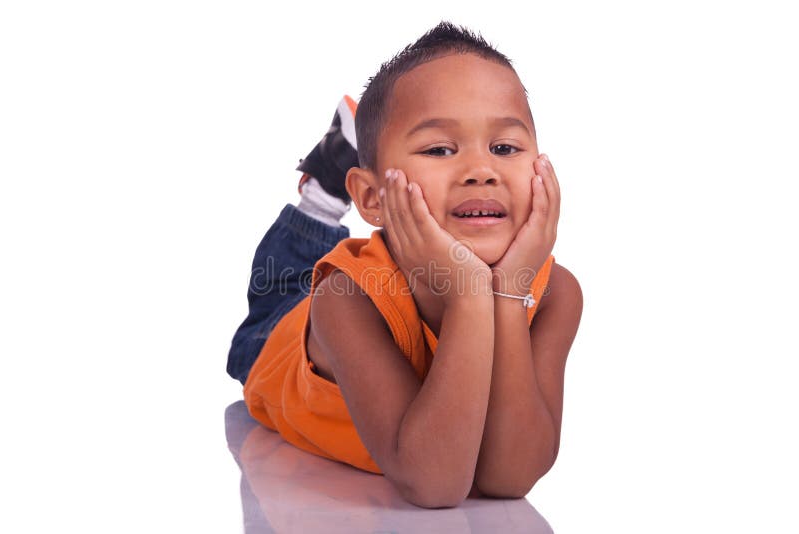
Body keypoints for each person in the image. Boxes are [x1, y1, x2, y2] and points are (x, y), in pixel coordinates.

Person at [227, 21, 583, 509]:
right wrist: (469, 296)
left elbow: (509, 477)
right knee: (285, 288)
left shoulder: (555, 294)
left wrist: (504, 293)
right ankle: (323, 195)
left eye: (504, 148)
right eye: (440, 149)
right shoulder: (346, 300)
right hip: (276, 342)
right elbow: (434, 484)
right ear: (372, 198)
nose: (482, 171)